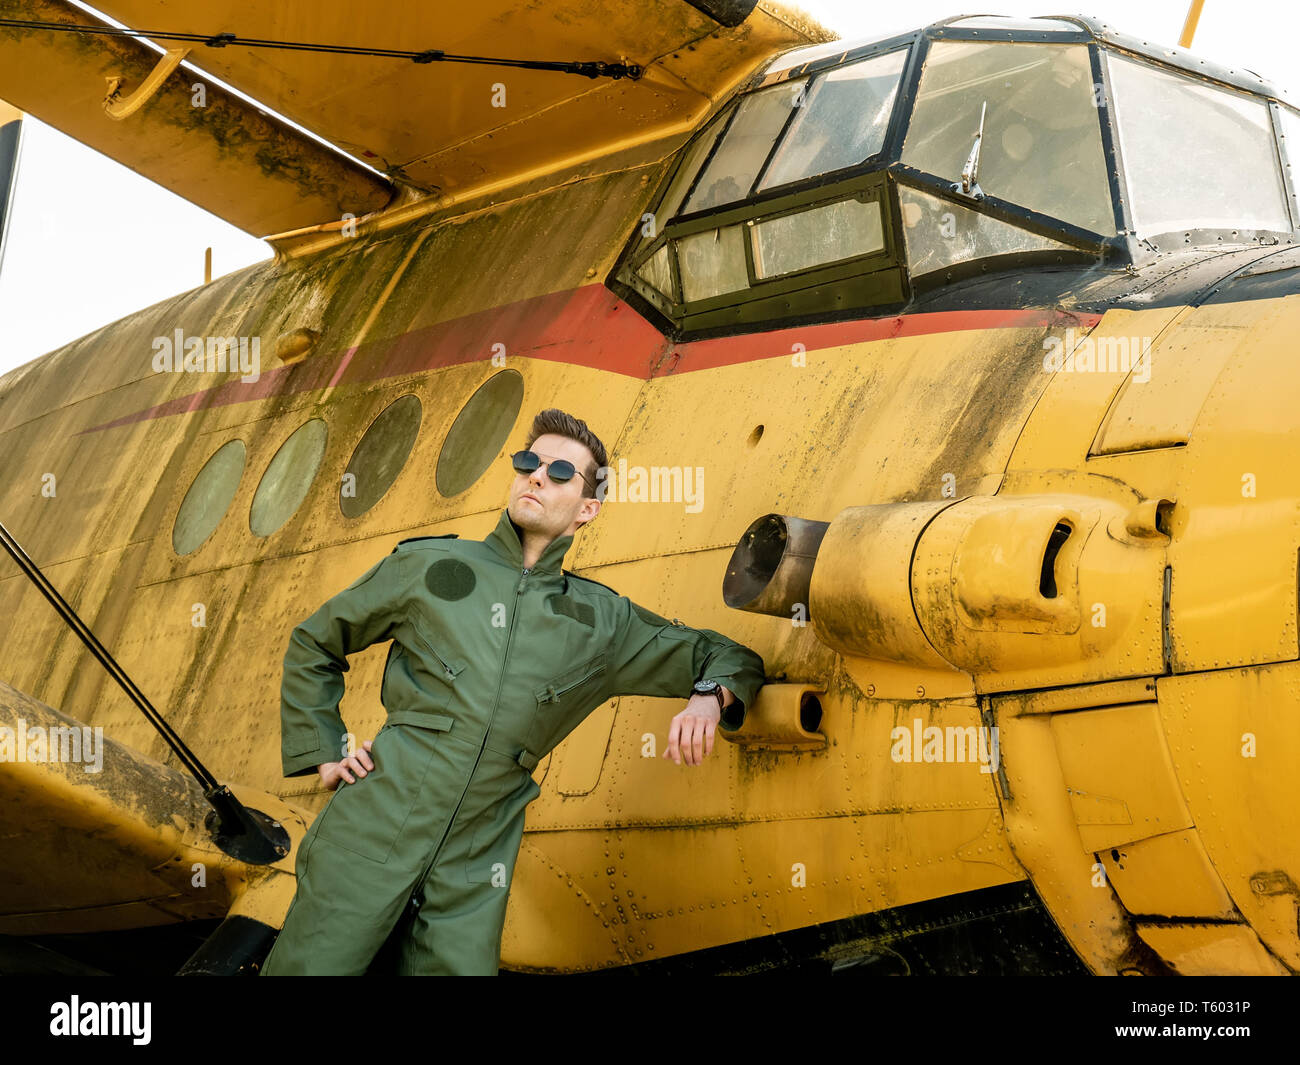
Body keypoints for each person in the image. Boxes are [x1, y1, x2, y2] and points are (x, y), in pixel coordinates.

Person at [260, 407, 766, 975]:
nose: (535, 477)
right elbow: (316, 643)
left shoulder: (603, 622)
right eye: (528, 463)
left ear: (587, 510)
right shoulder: (428, 566)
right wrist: (325, 752)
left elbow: (727, 655)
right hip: (376, 820)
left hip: (478, 857)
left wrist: (707, 698)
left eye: (559, 473)